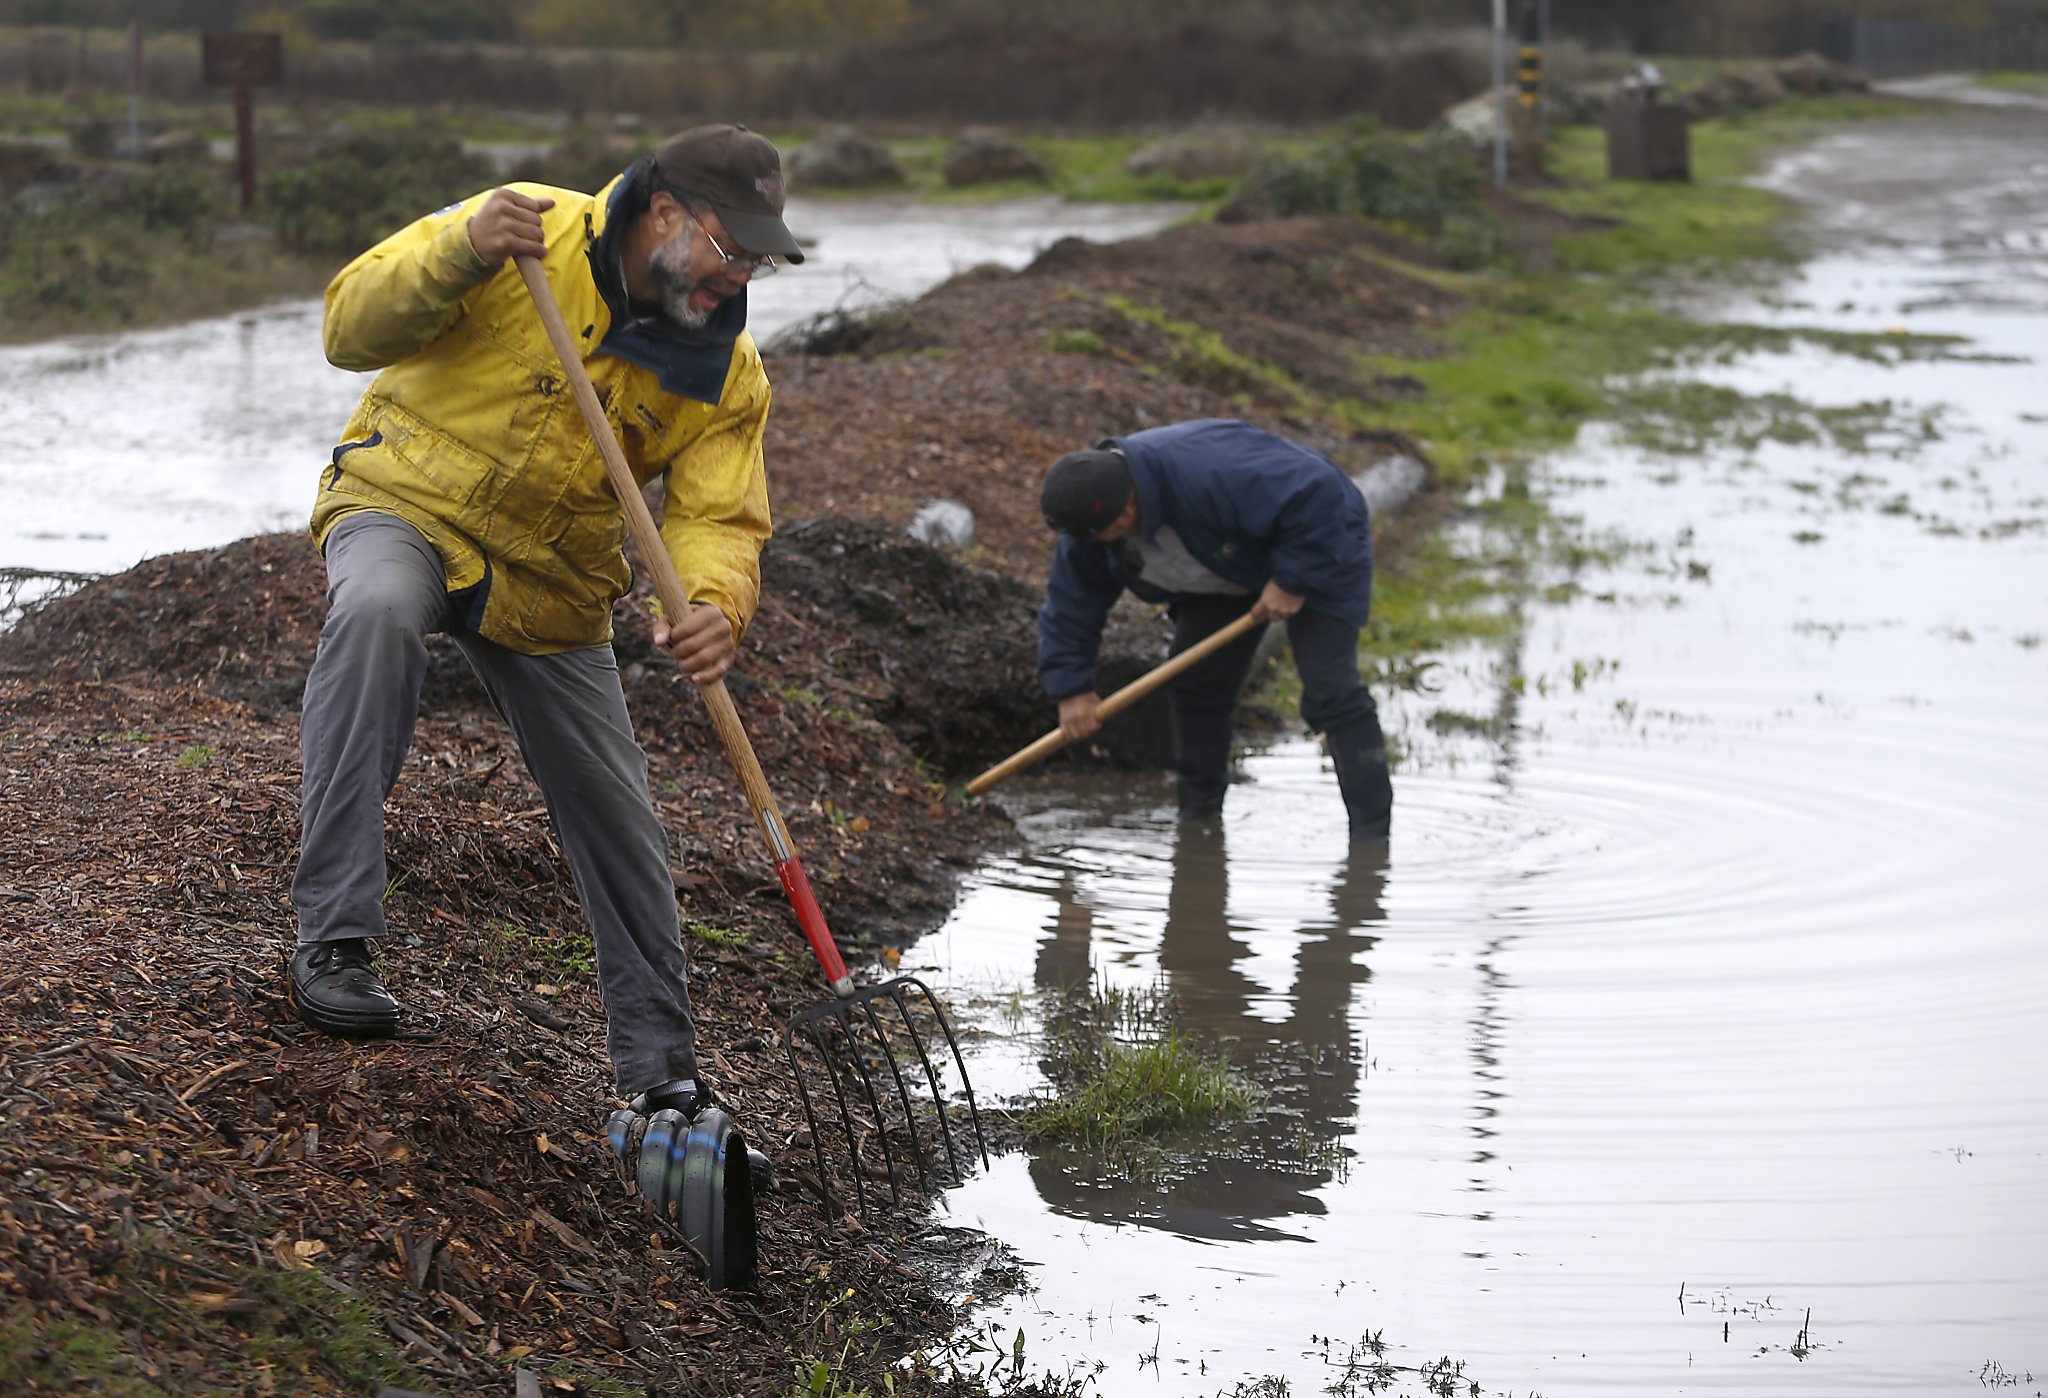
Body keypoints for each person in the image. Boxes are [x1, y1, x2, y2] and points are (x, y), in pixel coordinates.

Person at [287, 124, 804, 1135]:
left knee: (617, 806)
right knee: (378, 615)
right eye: (729, 246)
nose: (742, 272)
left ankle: (663, 1079)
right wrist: (457, 250)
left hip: (554, 578)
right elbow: (349, 327)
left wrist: (710, 603)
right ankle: (335, 939)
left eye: (759, 256)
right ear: (663, 213)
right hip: (407, 503)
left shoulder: (720, 366)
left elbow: (716, 513)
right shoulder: (520, 231)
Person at [1035, 418, 1393, 842]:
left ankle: (1371, 842)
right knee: (1197, 685)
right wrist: (1071, 687)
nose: (1094, 545)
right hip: (1220, 566)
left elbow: (1321, 494)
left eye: (1101, 534)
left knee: (1331, 689)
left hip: (1319, 541)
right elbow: (1071, 604)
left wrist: (1293, 578)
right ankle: (1198, 822)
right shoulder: (1089, 526)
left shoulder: (1211, 473)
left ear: (1128, 508)